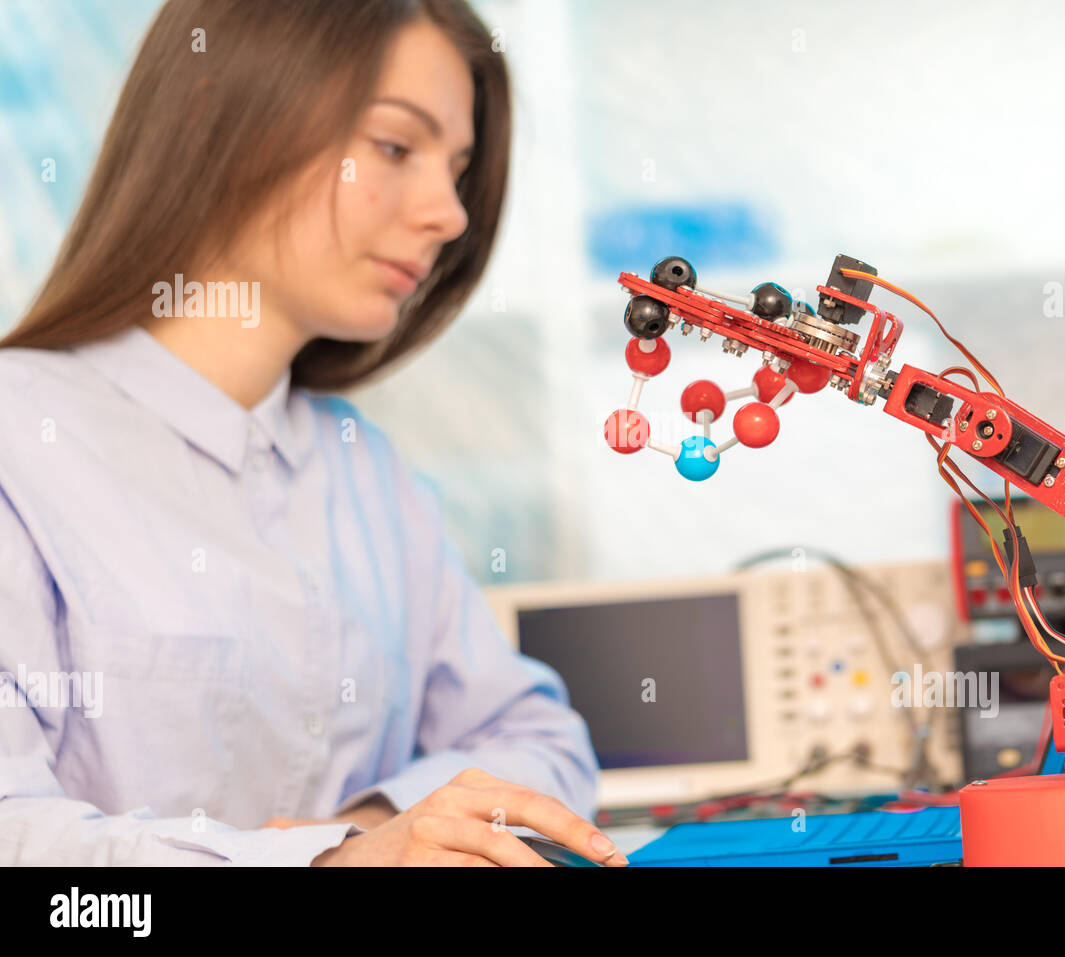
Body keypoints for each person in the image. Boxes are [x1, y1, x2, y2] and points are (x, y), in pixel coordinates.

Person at [0, 0, 624, 867]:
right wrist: (322, 864)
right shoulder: (21, 446)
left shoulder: (362, 469)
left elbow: (540, 737)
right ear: (222, 119)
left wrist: (376, 828)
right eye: (397, 147)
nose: (449, 214)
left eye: (458, 169)